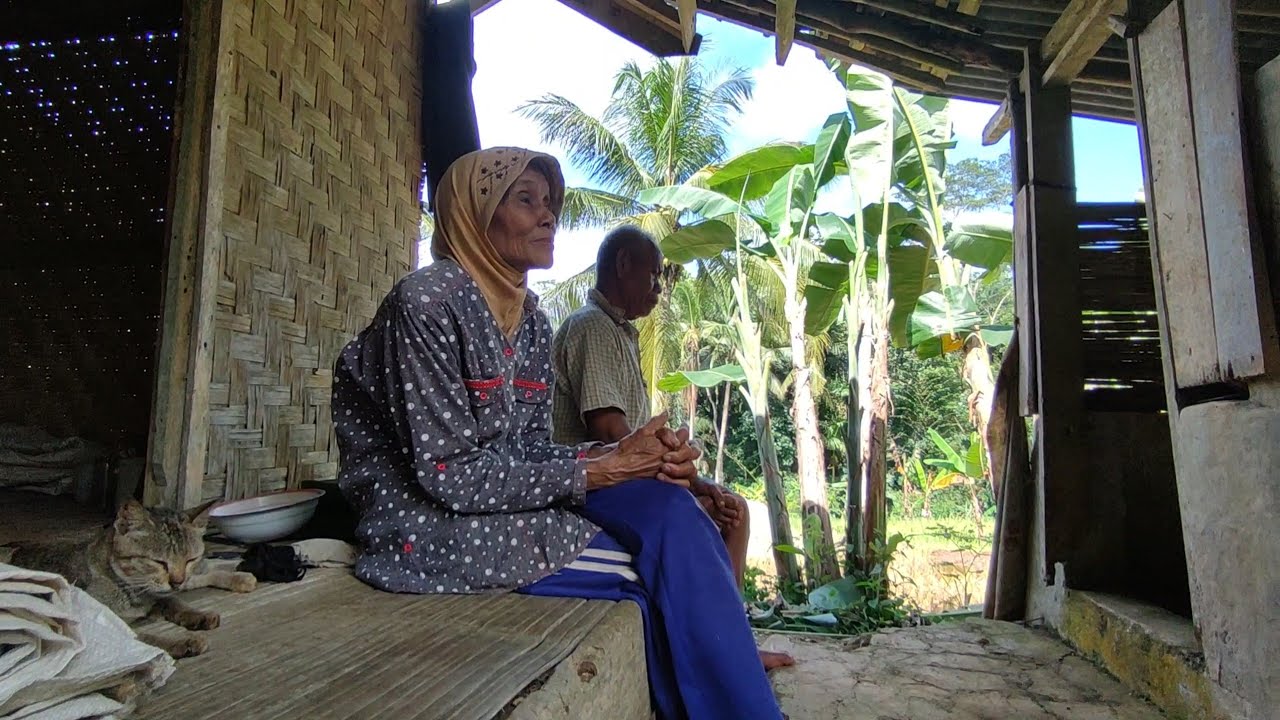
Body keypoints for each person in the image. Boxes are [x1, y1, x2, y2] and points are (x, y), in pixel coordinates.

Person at [331, 147, 785, 720]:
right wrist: (610, 466)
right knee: (657, 572)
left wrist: (630, 454)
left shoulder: (533, 321)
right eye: (525, 200)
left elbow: (530, 451)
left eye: (549, 203)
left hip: (501, 505)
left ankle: (733, 685)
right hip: (427, 523)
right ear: (475, 215)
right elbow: (448, 475)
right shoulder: (425, 305)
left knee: (671, 507)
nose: (549, 216)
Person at [550, 226, 794, 673]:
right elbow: (610, 433)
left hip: (619, 477)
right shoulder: (593, 328)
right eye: (654, 275)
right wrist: (685, 477)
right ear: (623, 265)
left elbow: (632, 439)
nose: (660, 288)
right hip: (592, 484)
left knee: (732, 510)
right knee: (712, 513)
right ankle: (725, 654)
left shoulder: (618, 332)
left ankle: (732, 638)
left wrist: (694, 478)